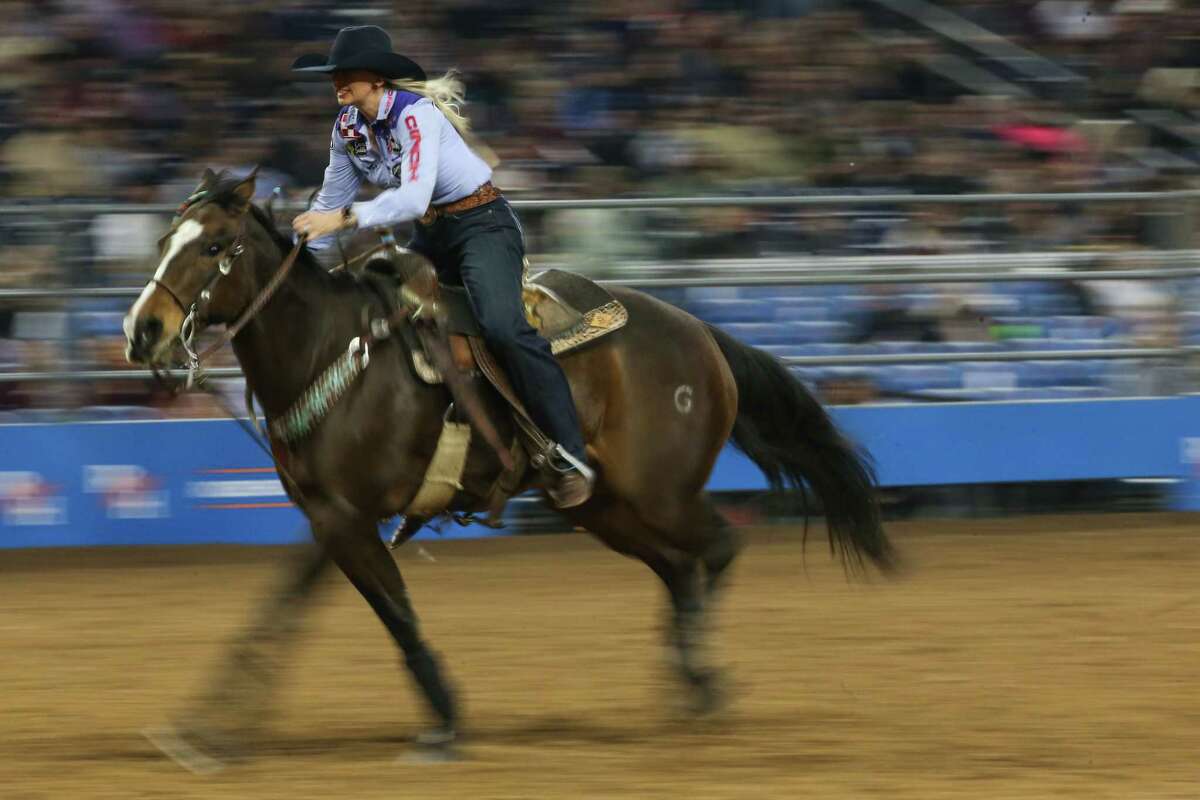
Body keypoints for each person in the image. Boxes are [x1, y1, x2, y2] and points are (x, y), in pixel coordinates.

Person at [290, 25, 594, 508]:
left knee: (501, 324)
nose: (337, 82)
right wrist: (300, 255)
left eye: (346, 74)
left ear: (377, 80)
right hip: (433, 234)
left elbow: (409, 198)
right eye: (335, 75)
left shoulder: (417, 117)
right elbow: (330, 198)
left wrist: (344, 219)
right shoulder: (347, 129)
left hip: (482, 224)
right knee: (378, 310)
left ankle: (571, 452)